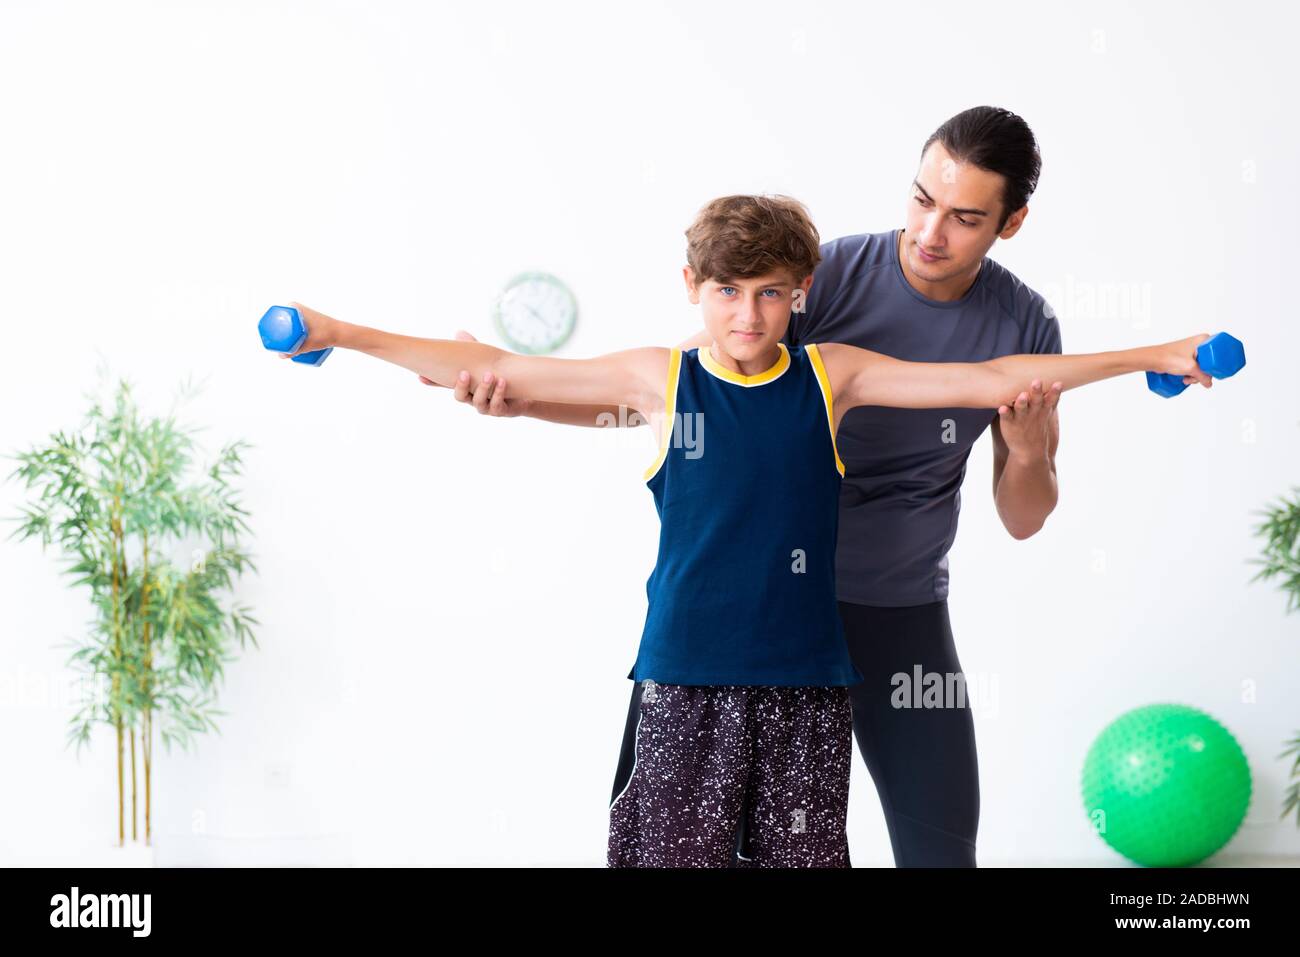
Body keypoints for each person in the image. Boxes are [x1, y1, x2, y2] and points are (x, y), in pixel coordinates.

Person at [275, 194, 1211, 867]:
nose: (747, 316)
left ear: (802, 290)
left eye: (768, 294)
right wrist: (340, 333)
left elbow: (993, 375)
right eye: (727, 292)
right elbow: (496, 364)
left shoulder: (831, 373)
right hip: (685, 679)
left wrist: (1153, 358)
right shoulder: (660, 377)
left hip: (808, 685)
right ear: (693, 286)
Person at [430, 106, 1068, 866]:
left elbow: (1024, 518)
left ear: (1013, 221)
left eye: (965, 218)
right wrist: (522, 397)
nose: (931, 233)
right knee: (674, 847)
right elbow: (676, 400)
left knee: (940, 849)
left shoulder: (1024, 325)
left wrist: (1028, 454)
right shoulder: (818, 280)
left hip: (898, 607)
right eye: (922, 199)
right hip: (750, 610)